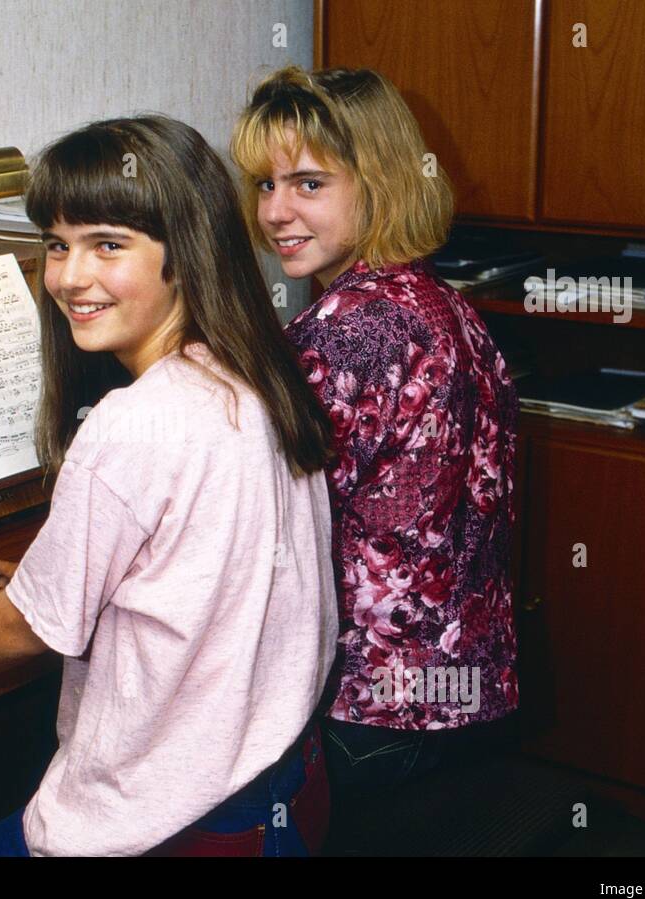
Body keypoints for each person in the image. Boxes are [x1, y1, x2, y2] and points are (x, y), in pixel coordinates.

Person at [0, 114, 340, 857]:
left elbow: (23, 627)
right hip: (284, 796)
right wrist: (65, 568)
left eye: (108, 245)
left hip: (174, 827)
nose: (67, 277)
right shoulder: (255, 375)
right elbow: (203, 550)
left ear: (184, 257)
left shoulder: (134, 422)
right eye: (58, 244)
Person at [231, 65, 521, 853]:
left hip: (371, 708)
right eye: (265, 185)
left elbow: (259, 528)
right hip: (460, 689)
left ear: (381, 181)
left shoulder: (348, 332)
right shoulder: (440, 302)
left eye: (308, 184)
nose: (275, 212)